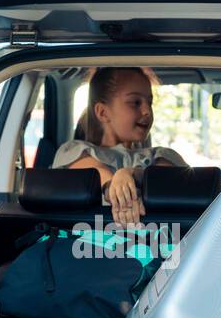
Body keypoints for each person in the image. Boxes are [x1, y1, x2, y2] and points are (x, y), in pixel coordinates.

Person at [52, 66, 187, 224]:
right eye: (135, 102)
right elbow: (97, 176)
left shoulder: (160, 154)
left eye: (149, 102)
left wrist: (130, 174)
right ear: (103, 112)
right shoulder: (75, 151)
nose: (147, 111)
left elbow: (167, 177)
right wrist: (115, 187)